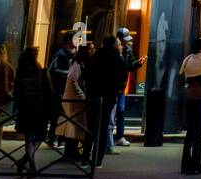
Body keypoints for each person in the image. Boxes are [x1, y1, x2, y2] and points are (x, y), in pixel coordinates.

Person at [84, 36, 128, 167]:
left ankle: (85, 156)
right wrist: (117, 91)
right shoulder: (118, 60)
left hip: (93, 95)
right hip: (108, 96)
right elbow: (122, 78)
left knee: (90, 126)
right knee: (102, 127)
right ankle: (98, 159)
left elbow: (86, 74)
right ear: (114, 45)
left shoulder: (95, 57)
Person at [13, 46, 53, 179]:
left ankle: (26, 162)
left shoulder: (21, 72)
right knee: (39, 137)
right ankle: (30, 164)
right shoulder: (41, 71)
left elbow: (17, 93)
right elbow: (49, 90)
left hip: (26, 109)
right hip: (39, 108)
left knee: (29, 138)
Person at [180, 38, 201, 175]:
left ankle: (186, 164)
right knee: (198, 132)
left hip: (190, 96)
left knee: (190, 132)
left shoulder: (188, 59)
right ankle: (196, 164)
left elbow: (183, 75)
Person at [58, 43, 93, 164]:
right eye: (91, 49)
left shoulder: (78, 63)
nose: (93, 51)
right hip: (74, 99)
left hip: (73, 98)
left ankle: (71, 151)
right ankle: (71, 152)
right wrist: (82, 95)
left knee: (74, 125)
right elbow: (72, 79)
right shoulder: (77, 64)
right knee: (74, 124)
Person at [113, 27, 144, 147]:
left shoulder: (127, 51)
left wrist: (138, 64)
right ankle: (109, 137)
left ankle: (120, 136)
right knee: (112, 112)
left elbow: (130, 66)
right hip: (113, 86)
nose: (126, 42)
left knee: (120, 110)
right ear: (119, 38)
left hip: (121, 86)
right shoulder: (113, 51)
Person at [46, 34, 74, 146]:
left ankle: (59, 137)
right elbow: (53, 69)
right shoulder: (61, 54)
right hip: (59, 88)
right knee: (58, 114)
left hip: (65, 88)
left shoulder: (71, 53)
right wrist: (69, 74)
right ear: (68, 41)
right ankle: (53, 137)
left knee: (62, 114)